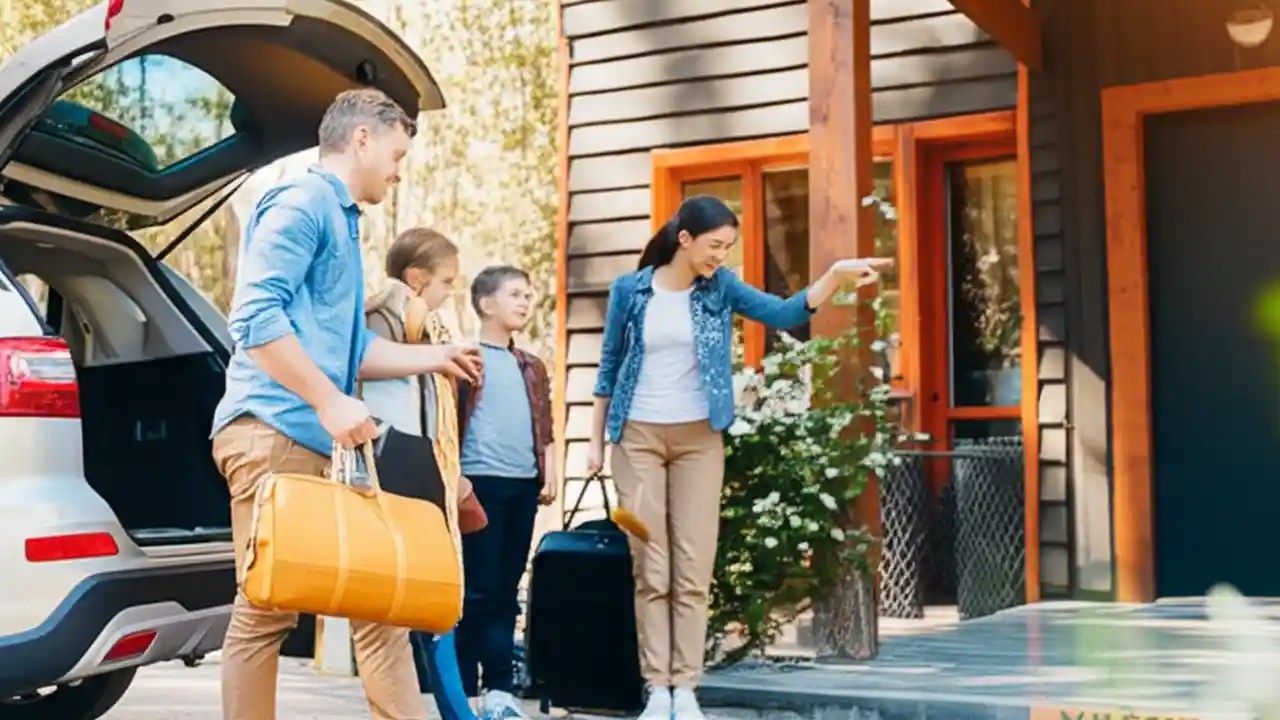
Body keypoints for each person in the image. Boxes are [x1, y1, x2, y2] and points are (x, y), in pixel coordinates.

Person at [209, 88, 484, 720]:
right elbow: (253, 318)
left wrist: (435, 358)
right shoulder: (303, 200)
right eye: (396, 152)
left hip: (322, 438)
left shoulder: (343, 218)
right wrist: (331, 402)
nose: (398, 168)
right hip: (271, 429)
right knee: (265, 611)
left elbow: (352, 350)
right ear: (361, 138)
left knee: (381, 604)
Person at [587, 195, 890, 720]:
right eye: (714, 246)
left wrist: (835, 277)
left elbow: (785, 311)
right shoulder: (630, 291)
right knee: (651, 568)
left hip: (700, 439)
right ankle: (656, 688)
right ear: (685, 239)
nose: (720, 257)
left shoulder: (719, 288)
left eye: (728, 247)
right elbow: (607, 368)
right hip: (635, 437)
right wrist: (594, 442)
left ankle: (686, 689)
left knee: (692, 566)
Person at [360, 226, 486, 720]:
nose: (450, 292)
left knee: (433, 604)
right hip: (393, 468)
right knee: (408, 613)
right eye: (446, 282)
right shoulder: (379, 323)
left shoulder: (427, 331)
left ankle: (454, 712)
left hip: (421, 468)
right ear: (416, 278)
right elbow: (372, 385)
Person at [454, 265, 556, 720]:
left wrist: (548, 473)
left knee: (507, 587)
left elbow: (546, 427)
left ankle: (499, 688)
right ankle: (461, 685)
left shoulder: (532, 366)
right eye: (514, 294)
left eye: (528, 296)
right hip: (478, 484)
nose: (524, 302)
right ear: (485, 303)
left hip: (522, 485)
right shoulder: (463, 357)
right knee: (477, 588)